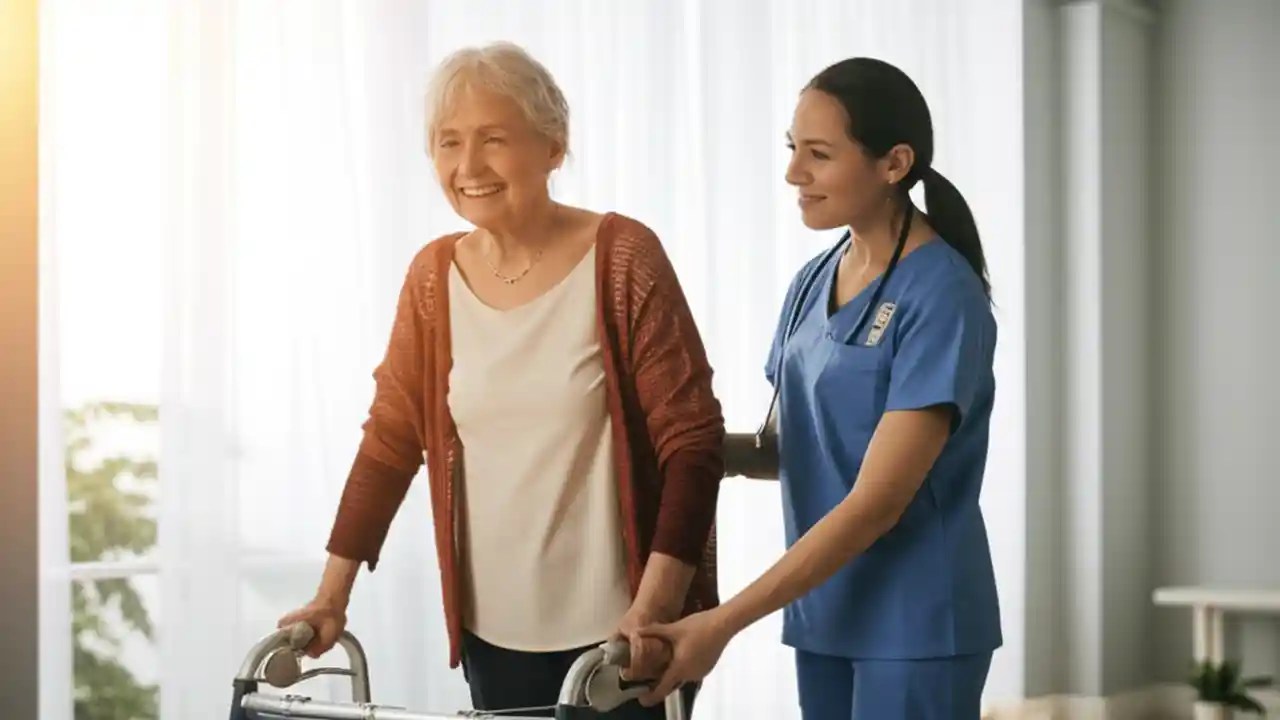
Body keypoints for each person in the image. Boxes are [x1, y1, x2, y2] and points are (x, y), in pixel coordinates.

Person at [277, 41, 723, 719]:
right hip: (495, 634)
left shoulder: (622, 258)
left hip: (621, 636)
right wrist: (330, 595)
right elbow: (391, 439)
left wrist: (655, 610)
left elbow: (691, 442)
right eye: (448, 143)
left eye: (493, 139)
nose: (468, 166)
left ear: (553, 145)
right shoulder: (434, 277)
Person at [635, 57, 1002, 719]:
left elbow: (875, 504)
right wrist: (680, 447)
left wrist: (720, 624)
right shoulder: (812, 280)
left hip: (917, 621)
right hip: (827, 612)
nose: (793, 174)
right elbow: (785, 450)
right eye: (791, 149)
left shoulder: (943, 296)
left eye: (819, 154)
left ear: (894, 163)